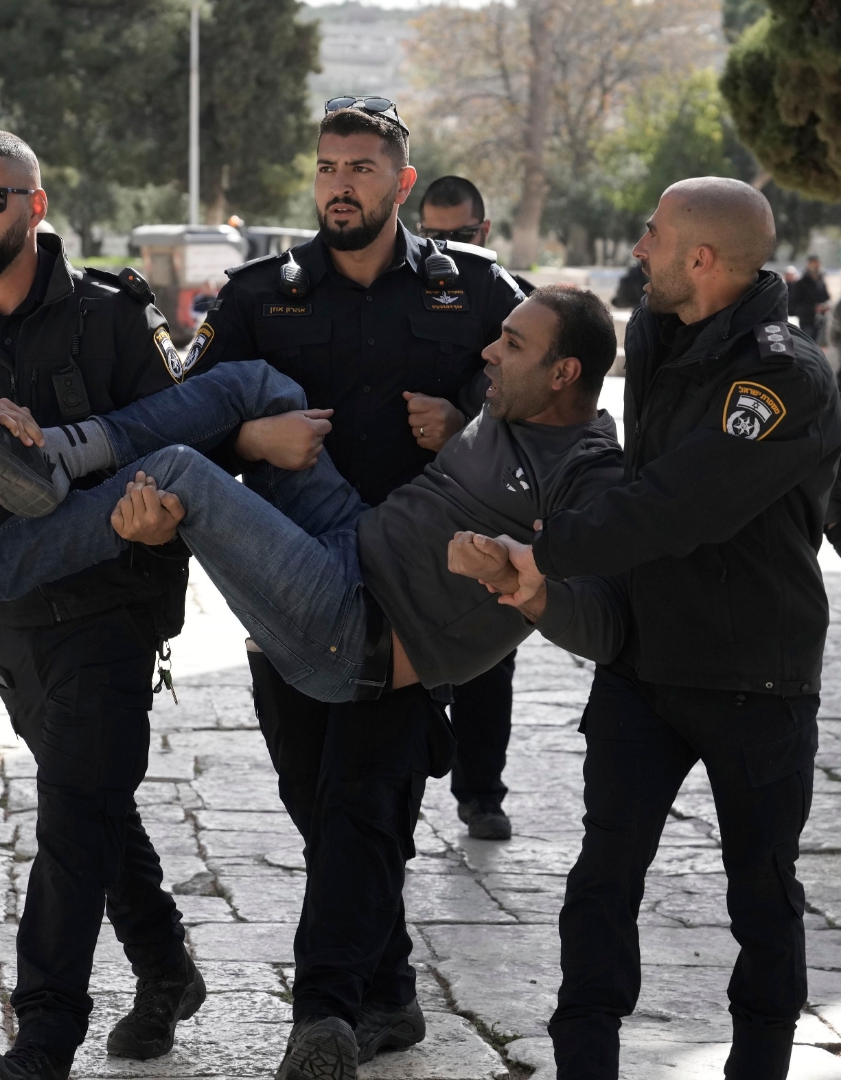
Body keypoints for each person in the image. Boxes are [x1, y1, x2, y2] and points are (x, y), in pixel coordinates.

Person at [0, 285, 623, 1080]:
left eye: (513, 345)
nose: (489, 351)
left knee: (183, 475)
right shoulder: (503, 412)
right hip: (350, 541)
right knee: (255, 386)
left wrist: (525, 585)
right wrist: (441, 433)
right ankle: (58, 455)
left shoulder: (588, 474)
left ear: (565, 374)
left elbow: (602, 621)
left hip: (357, 629)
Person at [471, 178, 841, 1080]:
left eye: (652, 235)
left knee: (761, 898)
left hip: (757, 675)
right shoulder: (655, 329)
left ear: (700, 259)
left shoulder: (783, 375)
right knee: (602, 881)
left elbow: (679, 506)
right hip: (646, 664)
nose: (638, 248)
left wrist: (549, 548)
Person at [184, 98, 524, 1067]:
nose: (342, 184)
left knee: (364, 800)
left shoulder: (483, 293)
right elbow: (193, 415)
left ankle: (321, 1014)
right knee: (315, 799)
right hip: (290, 590)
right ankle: (393, 989)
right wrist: (251, 436)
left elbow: (549, 412)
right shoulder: (258, 295)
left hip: (411, 594)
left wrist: (461, 422)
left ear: (401, 182)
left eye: (363, 168)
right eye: (329, 168)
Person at [0, 129, 207, 1080]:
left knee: (69, 819)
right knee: (95, 801)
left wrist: (133, 501)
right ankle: (165, 968)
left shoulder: (111, 315)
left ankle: (46, 1034)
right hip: (10, 620)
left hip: (114, 604)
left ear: (36, 203)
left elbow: (175, 441)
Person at [417, 174, 528, 839]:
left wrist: (462, 417)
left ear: (483, 234)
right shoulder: (399, 289)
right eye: (432, 236)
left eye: (459, 237)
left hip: (487, 503)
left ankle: (480, 791)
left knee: (490, 659)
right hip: (413, 505)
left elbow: (534, 394)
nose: (446, 250)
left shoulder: (512, 303)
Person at [418, 174, 535, 298]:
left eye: (463, 235)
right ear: (420, 233)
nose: (447, 246)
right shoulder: (402, 291)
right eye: (435, 236)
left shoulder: (516, 298)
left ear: (485, 229)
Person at [789, 254, 831, 338]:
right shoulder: (801, 283)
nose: (816, 265)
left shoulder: (820, 282)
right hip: (807, 322)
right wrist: (813, 308)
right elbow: (793, 305)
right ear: (808, 265)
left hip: (820, 321)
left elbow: (826, 297)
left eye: (818, 263)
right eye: (814, 263)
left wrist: (825, 306)